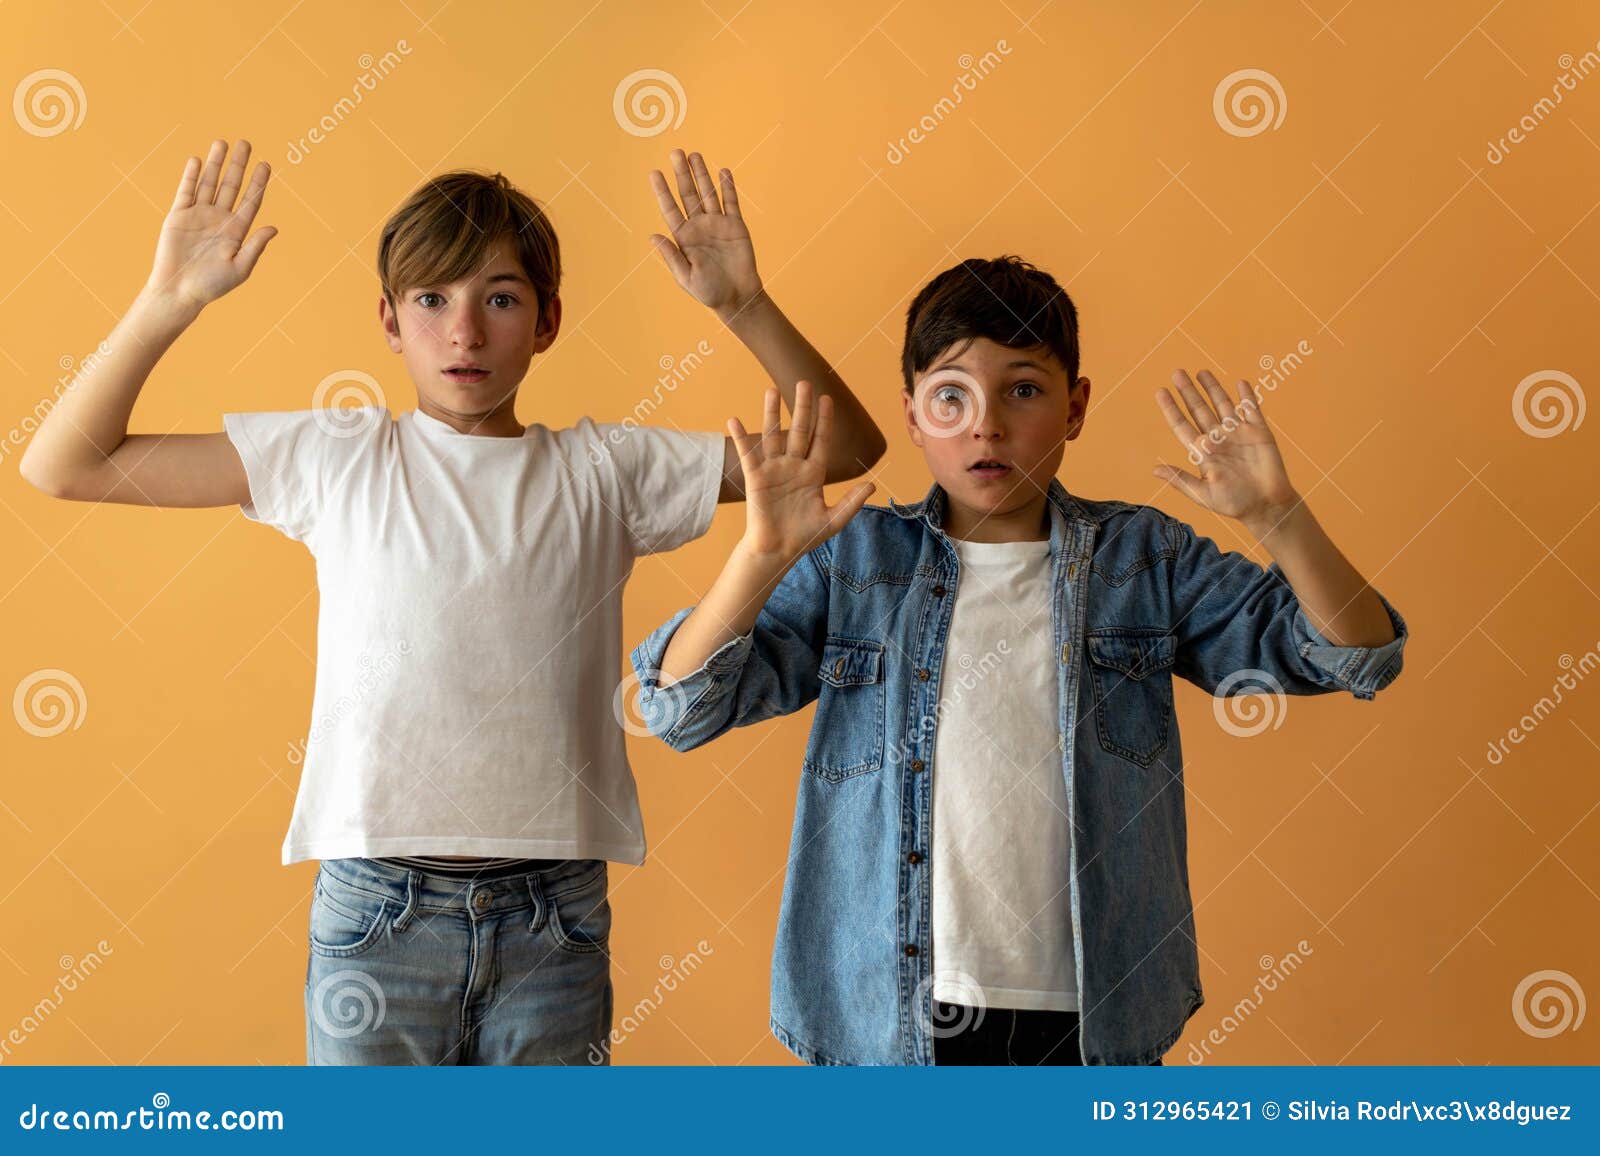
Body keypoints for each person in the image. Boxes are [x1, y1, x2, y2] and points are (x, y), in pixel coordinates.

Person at [19, 140, 885, 1065]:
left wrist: (743, 306)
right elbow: (66, 463)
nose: (465, 332)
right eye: (433, 301)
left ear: (548, 321)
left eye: (499, 299)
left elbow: (842, 450)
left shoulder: (605, 469)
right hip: (376, 916)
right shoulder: (338, 458)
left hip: (554, 919)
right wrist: (169, 301)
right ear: (390, 322)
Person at [629, 255, 1408, 1065]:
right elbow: (678, 709)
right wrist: (758, 557)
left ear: (1076, 407)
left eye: (1024, 390)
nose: (986, 425)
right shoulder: (857, 559)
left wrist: (1280, 519)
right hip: (885, 1013)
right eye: (951, 396)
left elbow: (1355, 656)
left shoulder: (1143, 558)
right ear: (910, 415)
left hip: (1092, 1014)